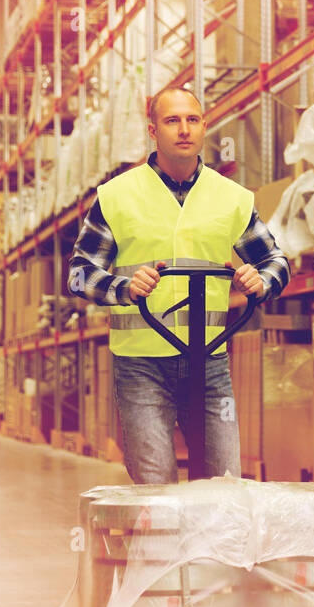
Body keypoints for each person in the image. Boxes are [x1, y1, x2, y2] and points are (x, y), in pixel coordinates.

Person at [68, 86, 289, 483]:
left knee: (222, 482)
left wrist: (262, 280)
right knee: (156, 485)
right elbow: (80, 272)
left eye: (192, 120)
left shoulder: (232, 198)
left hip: (210, 361)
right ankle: (161, 547)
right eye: (172, 121)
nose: (183, 129)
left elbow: (276, 261)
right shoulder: (116, 196)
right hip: (141, 365)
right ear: (153, 132)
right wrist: (123, 288)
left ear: (204, 126)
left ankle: (210, 549)